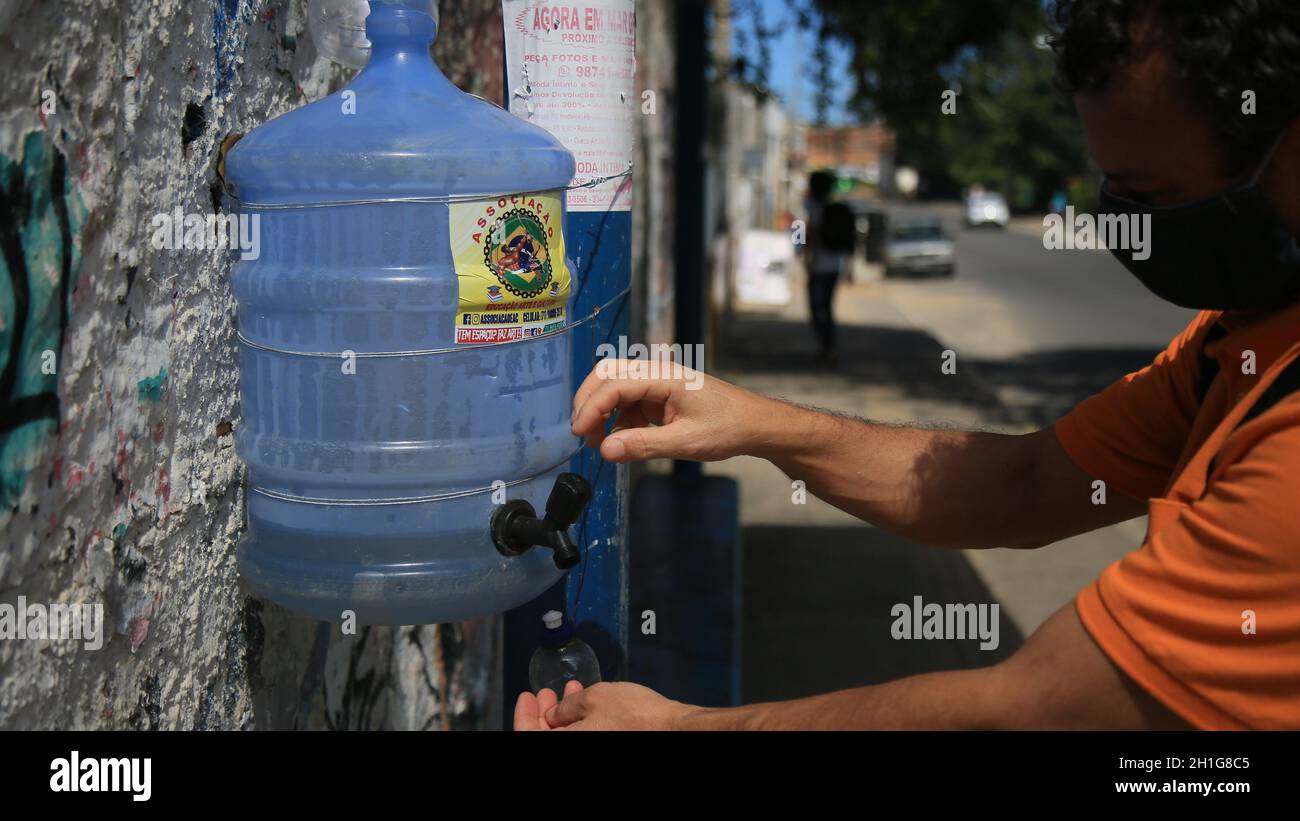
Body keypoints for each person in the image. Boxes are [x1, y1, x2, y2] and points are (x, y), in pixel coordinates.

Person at [516, 0, 1300, 730]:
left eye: (1150, 194)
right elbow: (1024, 486)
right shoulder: (1242, 338)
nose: (1127, 226)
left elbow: (1031, 709)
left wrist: (687, 727)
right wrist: (757, 422)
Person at [801, 169, 851, 364]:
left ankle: (827, 348)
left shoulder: (814, 208)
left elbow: (810, 238)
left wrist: (806, 260)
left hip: (818, 266)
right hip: (834, 266)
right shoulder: (835, 208)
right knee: (828, 308)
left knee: (815, 308)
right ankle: (829, 347)